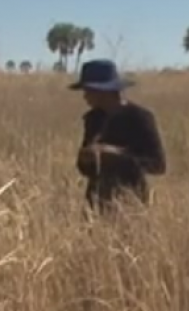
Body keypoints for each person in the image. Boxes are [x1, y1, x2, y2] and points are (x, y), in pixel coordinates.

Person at [70, 59, 167, 212]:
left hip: (132, 202)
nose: (85, 96)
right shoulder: (93, 119)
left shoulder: (140, 118)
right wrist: (86, 159)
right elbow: (86, 170)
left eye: (89, 90)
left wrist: (115, 155)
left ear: (103, 91)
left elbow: (158, 165)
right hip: (96, 203)